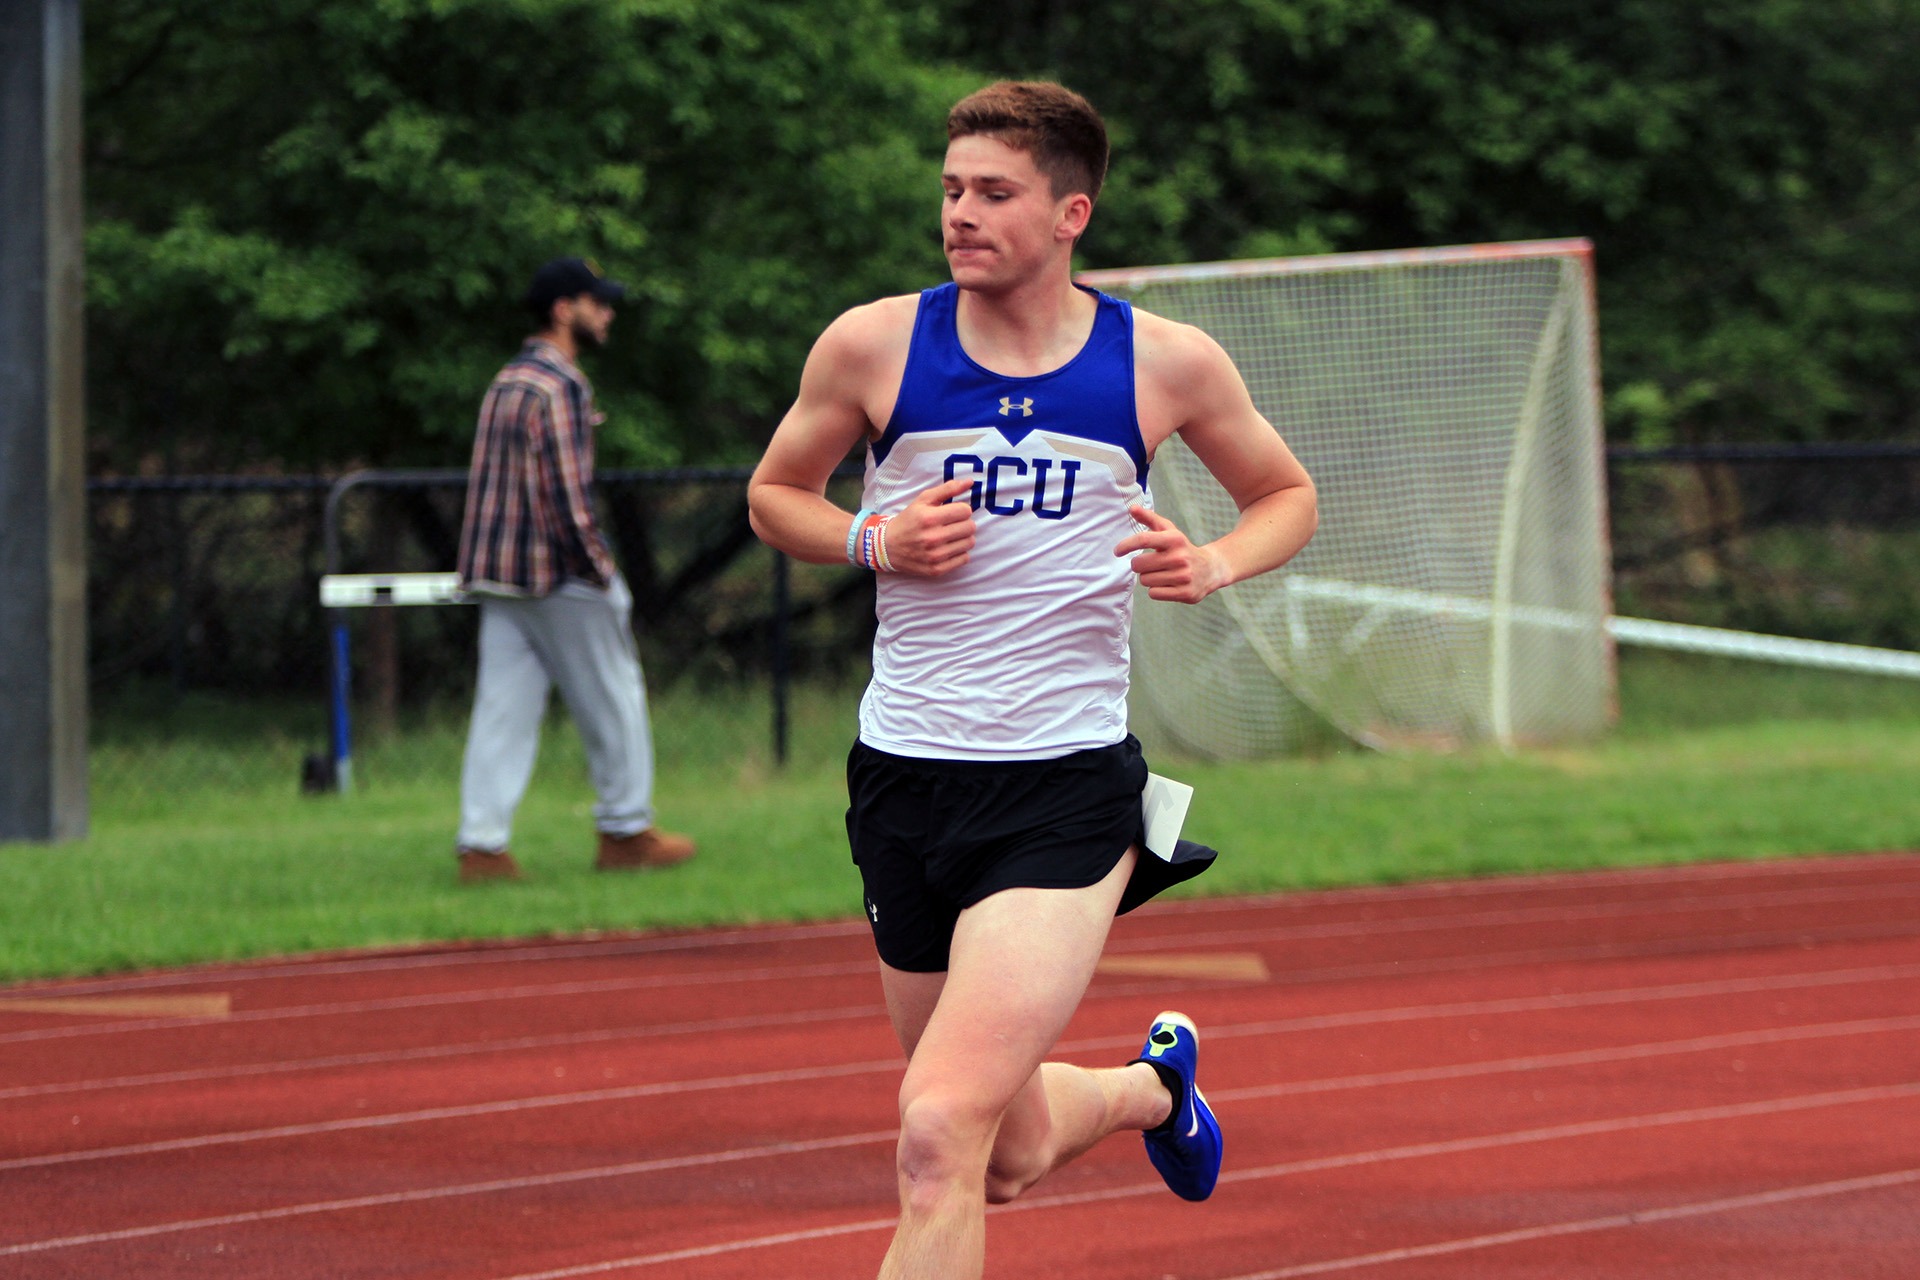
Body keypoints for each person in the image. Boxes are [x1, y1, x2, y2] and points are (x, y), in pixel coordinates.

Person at [747, 83, 1317, 1278]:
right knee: (998, 1151)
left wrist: (1211, 561)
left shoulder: (1160, 362)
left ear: (1071, 213)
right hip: (904, 781)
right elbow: (774, 493)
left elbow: (1287, 494)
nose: (960, 213)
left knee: (934, 1131)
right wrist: (873, 538)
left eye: (994, 193)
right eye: (952, 189)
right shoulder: (873, 345)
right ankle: (1155, 1093)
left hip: (1061, 791)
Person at [451, 257, 696, 884]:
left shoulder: (507, 379)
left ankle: (482, 847)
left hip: (498, 573)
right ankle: (625, 831)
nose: (607, 313)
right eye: (597, 302)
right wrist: (600, 571)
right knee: (615, 696)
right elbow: (567, 497)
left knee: (502, 712)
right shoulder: (562, 384)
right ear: (564, 309)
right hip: (558, 574)